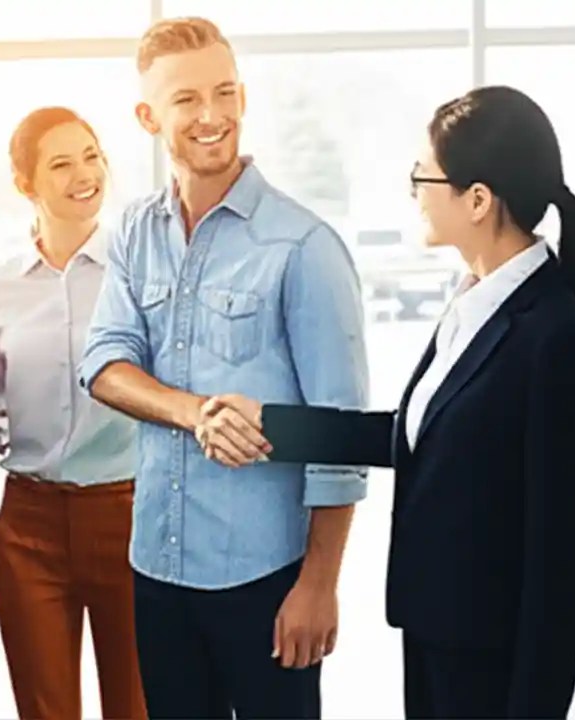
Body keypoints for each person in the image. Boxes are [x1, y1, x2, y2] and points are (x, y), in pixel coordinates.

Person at [209, 85, 575, 718]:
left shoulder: (557, 335)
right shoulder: (473, 302)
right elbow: (418, 435)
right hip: (436, 631)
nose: (413, 190)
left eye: (423, 176)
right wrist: (271, 424)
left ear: (477, 200)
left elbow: (558, 556)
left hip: (495, 662)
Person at [77, 16, 370, 718]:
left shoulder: (303, 246)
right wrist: (192, 411)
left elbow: (344, 436)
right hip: (158, 569)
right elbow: (103, 360)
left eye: (225, 93)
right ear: (149, 116)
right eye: (186, 100)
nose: (212, 117)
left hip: (268, 580)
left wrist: (319, 584)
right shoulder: (135, 233)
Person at [0, 106, 147, 720]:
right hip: (29, 527)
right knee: (44, 710)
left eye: (92, 156)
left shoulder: (141, 273)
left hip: (130, 517)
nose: (83, 174)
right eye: (61, 164)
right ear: (25, 184)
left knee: (139, 707)